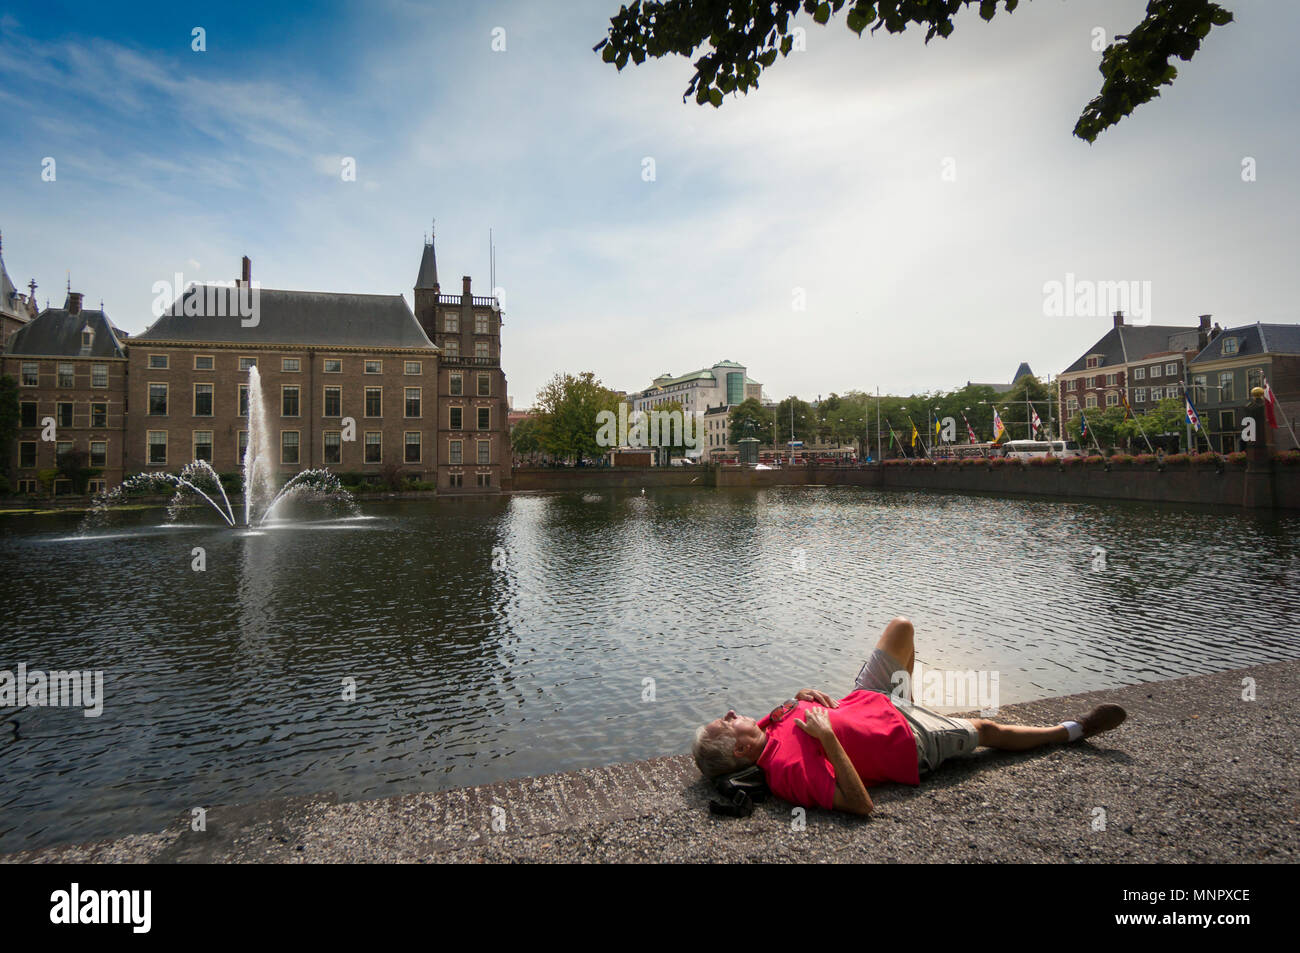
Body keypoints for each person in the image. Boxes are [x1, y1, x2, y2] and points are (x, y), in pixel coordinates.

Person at [692, 617, 1127, 815]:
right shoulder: (788, 772)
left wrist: (799, 695)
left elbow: (789, 714)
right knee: (988, 730)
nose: (731, 712)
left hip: (871, 697)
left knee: (901, 628)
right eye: (725, 722)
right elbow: (860, 806)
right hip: (907, 739)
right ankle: (1073, 730)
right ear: (743, 748)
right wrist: (828, 739)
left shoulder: (766, 727)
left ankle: (910, 696)